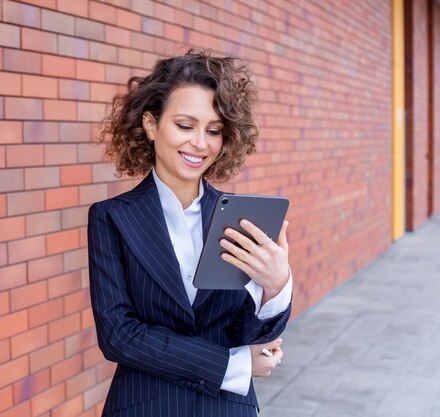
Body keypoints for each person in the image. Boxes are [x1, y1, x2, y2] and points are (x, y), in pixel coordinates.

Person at [87, 50, 293, 417]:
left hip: (228, 408)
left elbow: (252, 338)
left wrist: (277, 287)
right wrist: (232, 366)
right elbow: (118, 336)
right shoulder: (112, 218)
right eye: (185, 125)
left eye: (213, 130)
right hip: (145, 405)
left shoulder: (241, 219)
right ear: (151, 125)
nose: (200, 143)